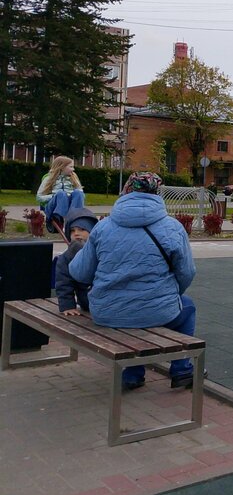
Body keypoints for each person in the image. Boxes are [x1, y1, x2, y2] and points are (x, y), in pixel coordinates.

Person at [69, 172, 200, 391]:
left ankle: (133, 374)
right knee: (187, 306)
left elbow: (80, 273)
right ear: (158, 193)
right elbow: (187, 273)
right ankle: (182, 370)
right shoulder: (173, 227)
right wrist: (172, 294)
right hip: (157, 311)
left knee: (135, 313)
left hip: (106, 312)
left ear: (126, 191)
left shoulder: (103, 227)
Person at [54, 207, 98, 316]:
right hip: (86, 303)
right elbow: (63, 283)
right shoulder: (66, 257)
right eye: (72, 230)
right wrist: (67, 306)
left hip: (106, 302)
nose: (76, 233)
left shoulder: (101, 251)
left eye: (82, 229)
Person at [36, 156, 86, 231]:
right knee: (61, 194)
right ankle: (59, 218)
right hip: (53, 208)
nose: (73, 169)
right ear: (62, 167)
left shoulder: (74, 177)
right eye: (71, 167)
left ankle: (75, 217)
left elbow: (81, 194)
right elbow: (39, 197)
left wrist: (70, 196)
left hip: (70, 208)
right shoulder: (48, 178)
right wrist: (54, 196)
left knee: (78, 193)